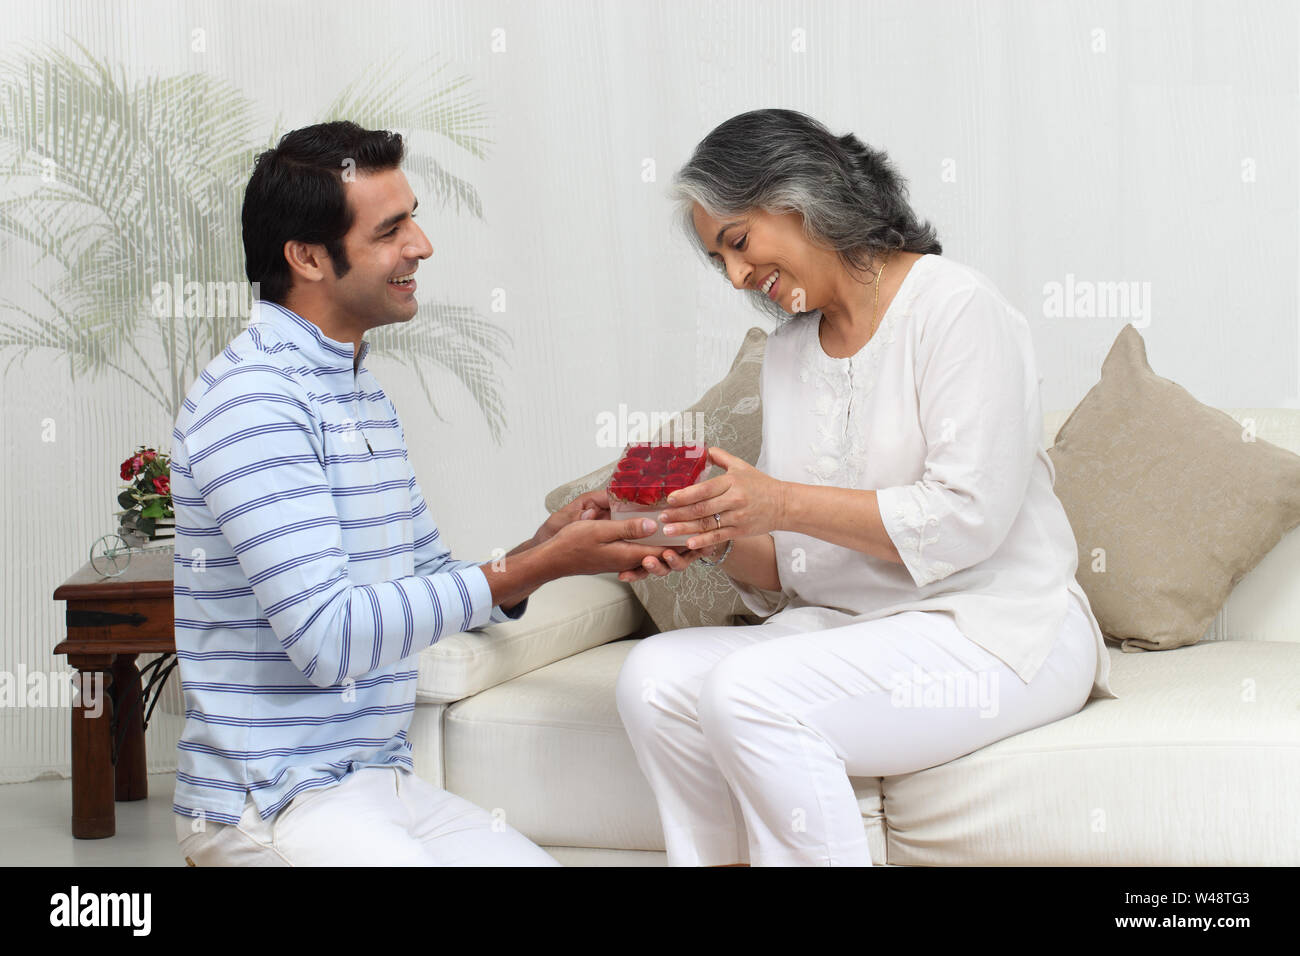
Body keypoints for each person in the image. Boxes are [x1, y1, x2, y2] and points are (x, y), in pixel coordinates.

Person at [613, 109, 1119, 867]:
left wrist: (778, 501)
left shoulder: (957, 309)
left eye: (739, 243)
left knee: (748, 692)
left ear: (800, 197)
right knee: (652, 681)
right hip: (856, 628)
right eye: (720, 261)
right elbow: (794, 564)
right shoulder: (786, 355)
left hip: (998, 629)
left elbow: (964, 521)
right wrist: (711, 537)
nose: (738, 277)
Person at [171, 121, 664, 866]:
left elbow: (430, 582)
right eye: (391, 229)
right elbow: (330, 639)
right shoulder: (254, 404)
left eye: (413, 218)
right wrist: (536, 568)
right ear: (306, 256)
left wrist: (546, 547)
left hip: (375, 781)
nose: (422, 246)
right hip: (273, 801)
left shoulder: (357, 392)